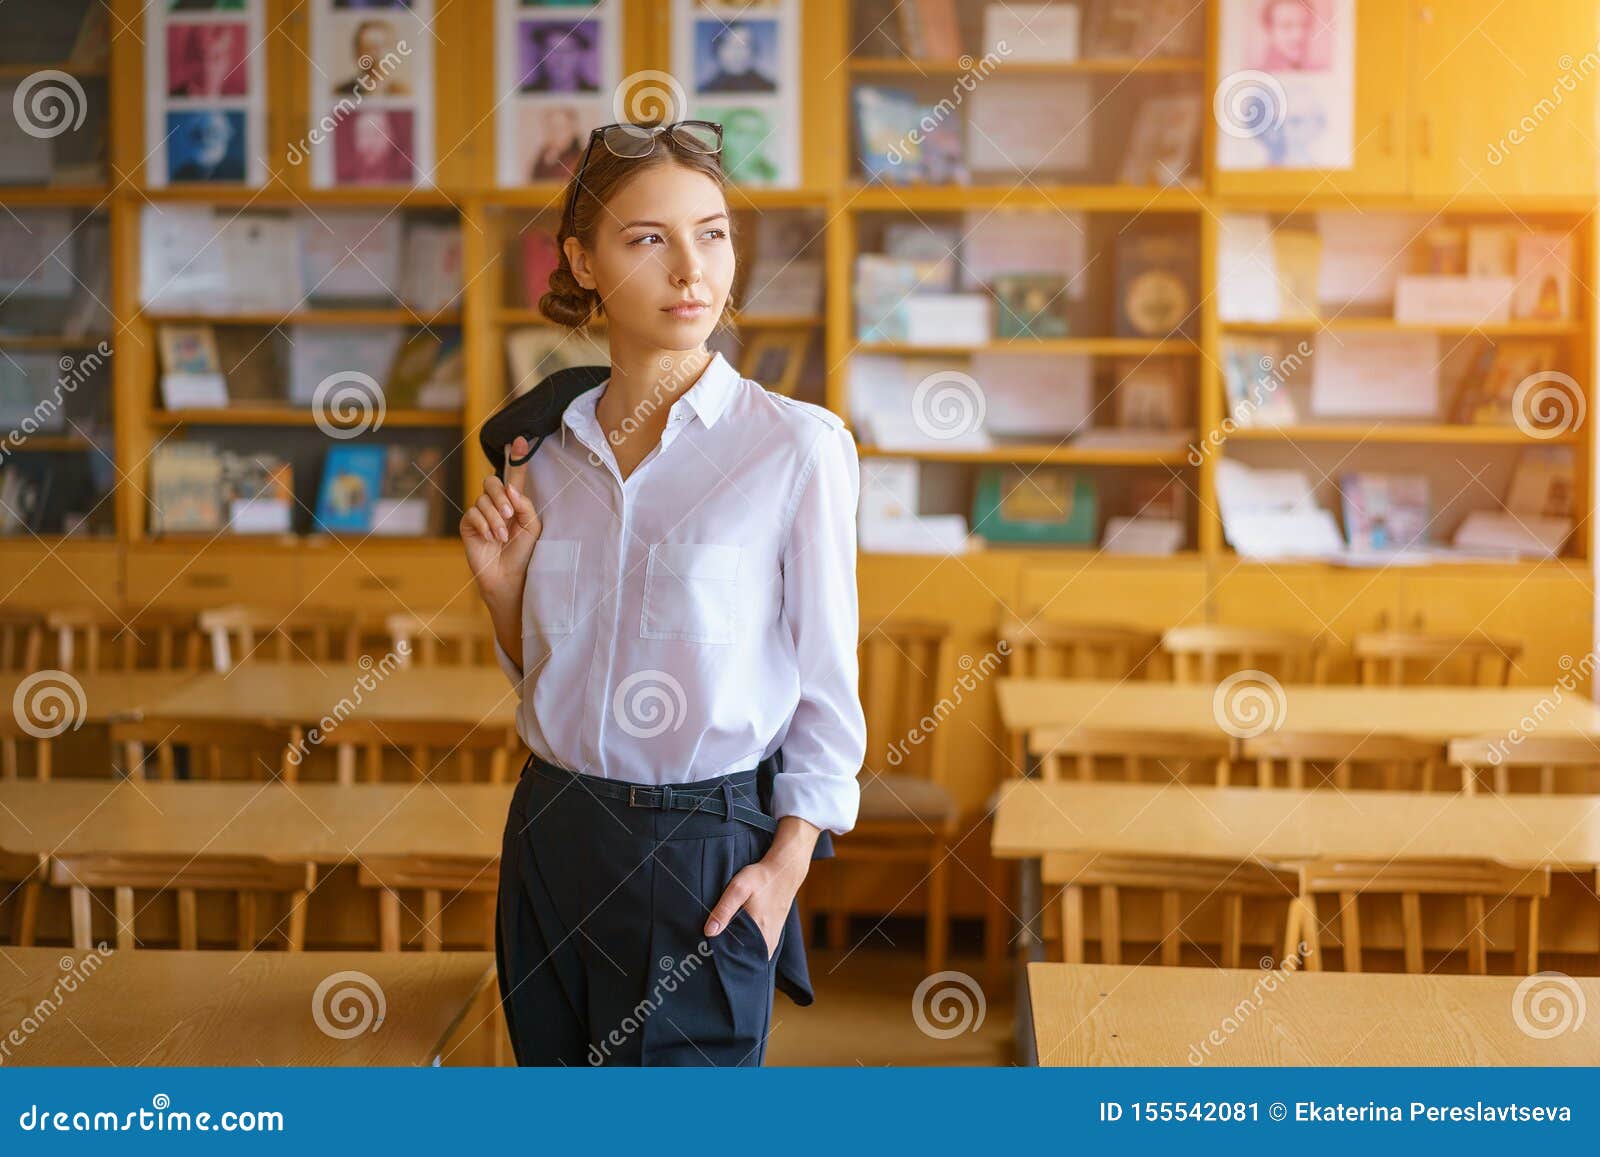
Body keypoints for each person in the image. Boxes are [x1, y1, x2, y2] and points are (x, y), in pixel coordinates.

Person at [461, 120, 864, 1066]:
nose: (693, 268)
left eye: (713, 233)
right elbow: (554, 672)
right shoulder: (542, 454)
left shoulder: (796, 447)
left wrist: (785, 867)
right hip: (551, 835)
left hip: (703, 858)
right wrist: (506, 596)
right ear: (583, 261)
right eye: (649, 239)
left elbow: (828, 688)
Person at [333, 18, 409, 96]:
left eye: (384, 46)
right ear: (357, 53)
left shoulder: (403, 91)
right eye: (369, 48)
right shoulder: (342, 92)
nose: (378, 55)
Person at [700, 21, 777, 93]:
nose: (737, 52)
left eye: (744, 45)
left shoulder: (769, 88)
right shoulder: (704, 91)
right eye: (730, 45)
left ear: (754, 50)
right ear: (717, 50)